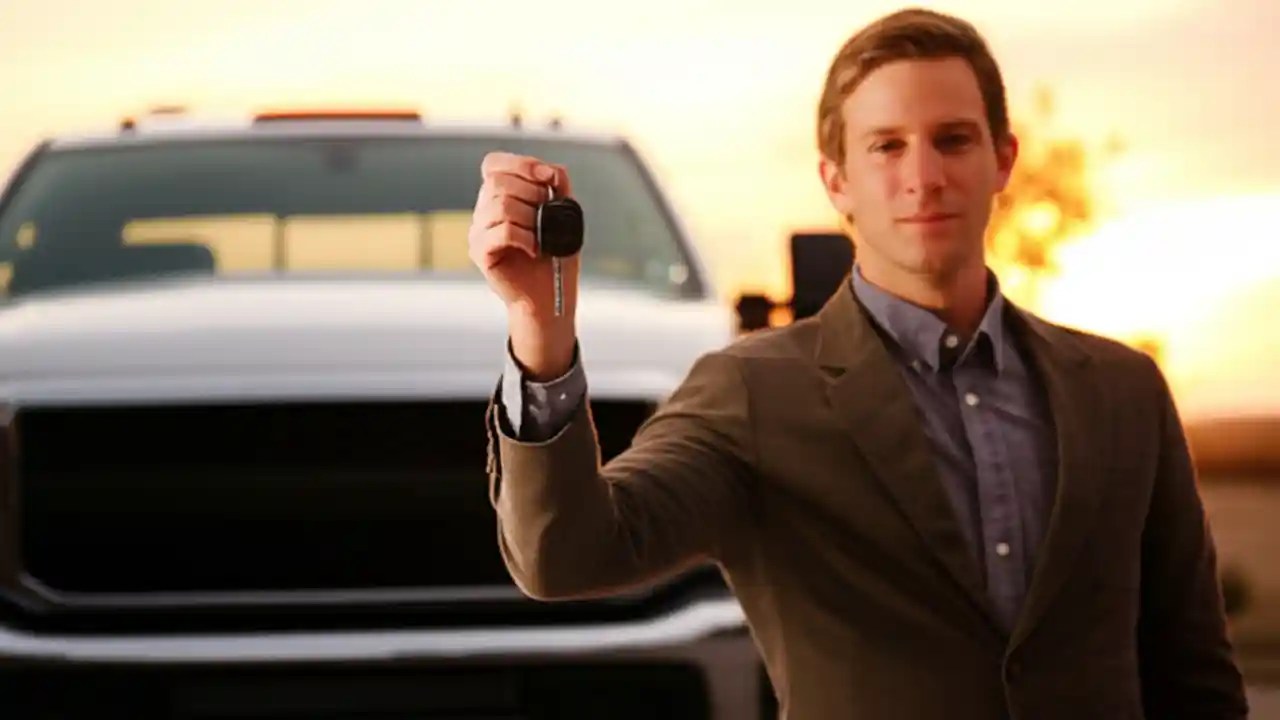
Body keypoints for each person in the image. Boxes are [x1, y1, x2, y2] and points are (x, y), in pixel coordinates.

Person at [467, 7, 1248, 719]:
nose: (925, 176)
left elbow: (1193, 674)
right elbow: (564, 555)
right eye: (886, 147)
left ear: (1003, 159)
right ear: (835, 181)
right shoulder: (753, 393)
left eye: (954, 138)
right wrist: (541, 328)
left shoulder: (1121, 389)